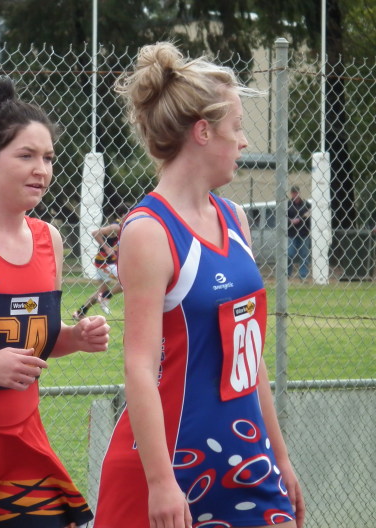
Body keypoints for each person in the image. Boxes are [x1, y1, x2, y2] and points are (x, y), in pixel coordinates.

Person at [93, 42, 305, 528]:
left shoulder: (234, 220)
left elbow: (247, 365)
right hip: (167, 468)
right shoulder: (149, 230)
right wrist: (161, 482)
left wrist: (281, 457)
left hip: (245, 460)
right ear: (203, 132)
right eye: (238, 128)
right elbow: (139, 367)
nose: (245, 142)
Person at [0, 77, 110, 528]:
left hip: (22, 448)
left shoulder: (48, 240)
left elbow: (38, 341)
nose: (42, 169)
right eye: (26, 156)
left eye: (48, 157)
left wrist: (74, 338)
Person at [72, 212, 126, 320]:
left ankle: (80, 312)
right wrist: (107, 248)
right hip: (104, 263)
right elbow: (95, 233)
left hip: (109, 262)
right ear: (123, 213)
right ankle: (106, 296)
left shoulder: (124, 226)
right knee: (126, 281)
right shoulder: (116, 226)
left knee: (100, 292)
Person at [287, 185, 311, 280]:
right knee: (289, 254)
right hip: (291, 233)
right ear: (291, 194)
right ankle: (287, 274)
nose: (295, 194)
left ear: (299, 193)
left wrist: (302, 218)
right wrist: (291, 221)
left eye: (297, 192)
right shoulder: (288, 204)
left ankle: (303, 275)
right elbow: (283, 216)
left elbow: (309, 213)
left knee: (304, 254)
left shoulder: (306, 204)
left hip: (304, 233)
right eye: (293, 193)